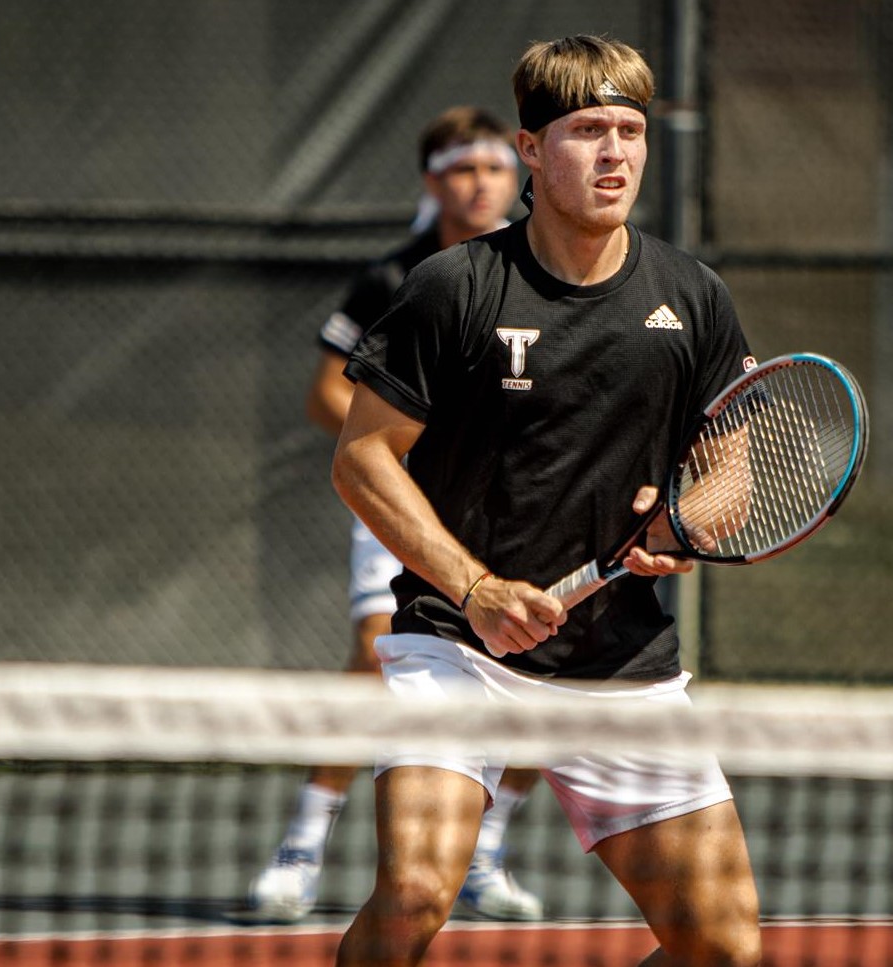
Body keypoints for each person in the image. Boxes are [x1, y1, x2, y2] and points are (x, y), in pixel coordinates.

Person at [331, 35, 762, 967]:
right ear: (531, 149)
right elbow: (362, 459)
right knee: (411, 893)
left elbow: (734, 467)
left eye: (628, 130)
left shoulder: (692, 298)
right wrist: (476, 587)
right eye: (585, 131)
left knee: (723, 947)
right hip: (455, 647)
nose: (614, 153)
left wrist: (687, 520)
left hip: (622, 665)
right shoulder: (454, 288)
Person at [249, 106, 545, 925]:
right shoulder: (391, 279)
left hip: (513, 508)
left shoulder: (536, 273)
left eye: (492, 167)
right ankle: (302, 848)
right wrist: (410, 438)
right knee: (375, 656)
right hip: (402, 499)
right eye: (460, 168)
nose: (479, 182)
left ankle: (486, 851)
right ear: (431, 181)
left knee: (543, 677)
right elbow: (325, 393)